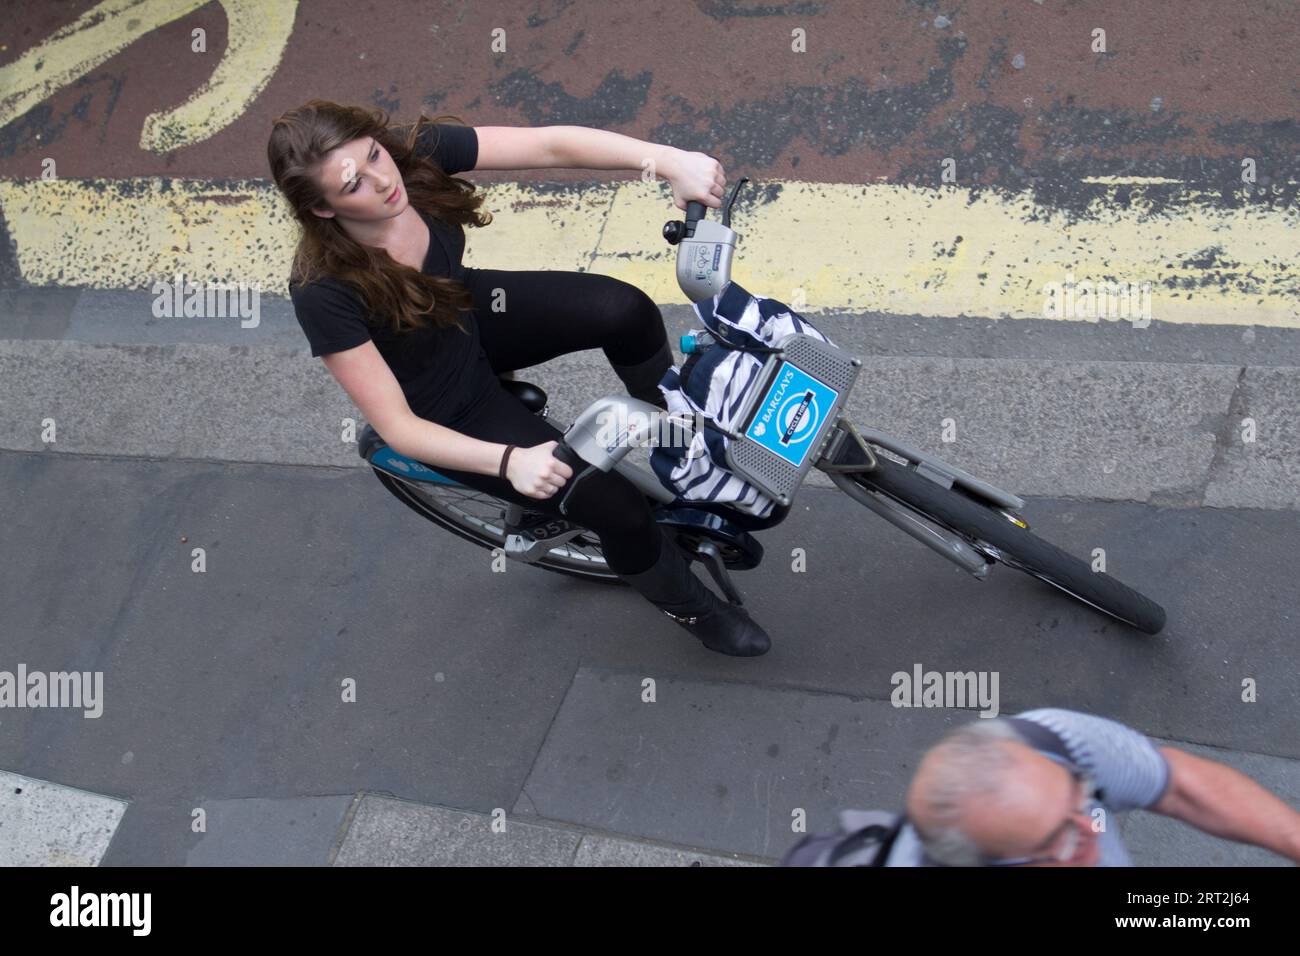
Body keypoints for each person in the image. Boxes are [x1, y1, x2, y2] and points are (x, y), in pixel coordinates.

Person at [266, 100, 771, 656]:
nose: (384, 180)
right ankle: (692, 609)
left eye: (375, 154)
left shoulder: (411, 156)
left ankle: (682, 445)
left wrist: (666, 160)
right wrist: (512, 462)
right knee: (615, 507)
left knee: (623, 309)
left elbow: (550, 145)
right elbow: (400, 427)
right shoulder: (324, 290)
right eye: (354, 183)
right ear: (322, 209)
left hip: (467, 308)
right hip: (446, 403)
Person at [884, 707, 1300, 865]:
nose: (1091, 831)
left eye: (1080, 800)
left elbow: (1178, 788)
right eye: (1059, 839)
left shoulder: (1056, 743)